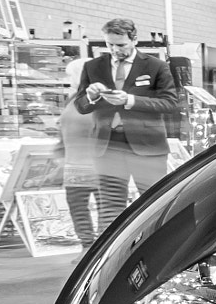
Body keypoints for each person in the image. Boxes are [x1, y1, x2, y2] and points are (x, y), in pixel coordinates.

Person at [75, 17, 180, 224]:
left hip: (147, 147)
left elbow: (170, 104)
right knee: (110, 209)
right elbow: (80, 106)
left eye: (121, 45)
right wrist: (91, 96)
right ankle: (113, 255)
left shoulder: (156, 66)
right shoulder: (92, 67)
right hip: (107, 147)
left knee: (155, 205)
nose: (115, 50)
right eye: (109, 44)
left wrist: (130, 100)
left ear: (134, 40)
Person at [53, 56, 102, 248]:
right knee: (77, 207)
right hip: (74, 165)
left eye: (71, 75)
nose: (69, 80)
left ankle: (103, 252)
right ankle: (87, 247)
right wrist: (60, 155)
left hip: (100, 165)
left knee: (106, 210)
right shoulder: (72, 99)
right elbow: (63, 129)